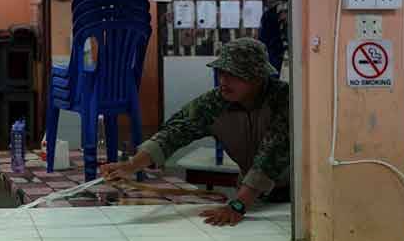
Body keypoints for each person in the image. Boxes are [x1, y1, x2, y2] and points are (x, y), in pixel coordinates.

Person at [101, 37, 290, 227]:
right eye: (222, 72)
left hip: (298, 197)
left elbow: (271, 155)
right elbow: (176, 130)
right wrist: (131, 165)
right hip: (254, 197)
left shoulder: (284, 100)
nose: (224, 80)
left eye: (235, 74)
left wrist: (239, 205)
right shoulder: (216, 102)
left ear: (257, 77)